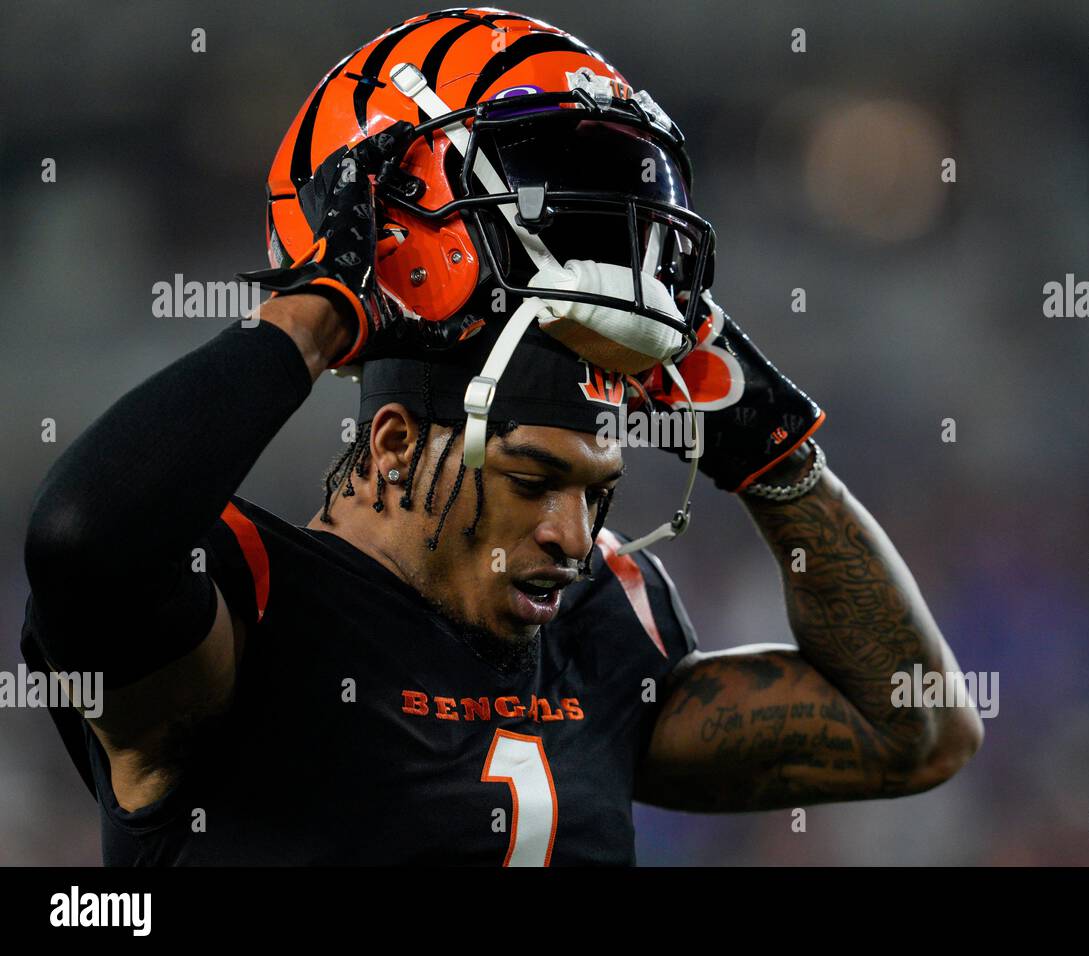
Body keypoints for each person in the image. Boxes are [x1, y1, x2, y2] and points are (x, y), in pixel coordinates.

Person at [20, 9, 982, 865]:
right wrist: (315, 313)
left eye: (598, 491)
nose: (573, 534)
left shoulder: (601, 628)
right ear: (392, 444)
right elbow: (85, 540)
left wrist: (775, 460)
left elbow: (915, 731)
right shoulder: (251, 608)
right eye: (533, 479)